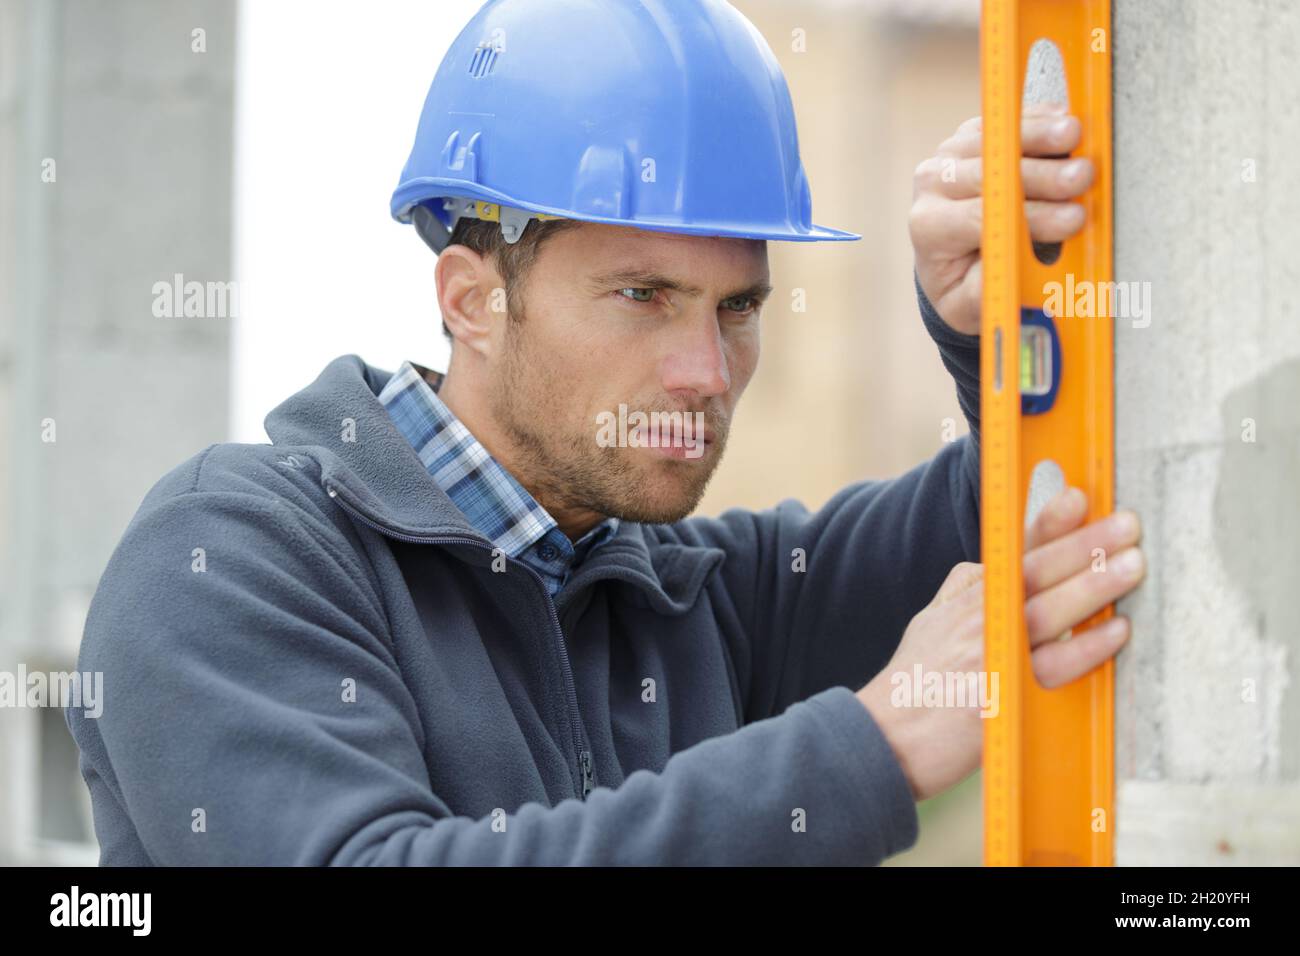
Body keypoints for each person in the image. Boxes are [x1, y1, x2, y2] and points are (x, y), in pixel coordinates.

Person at [66, 0, 1144, 865]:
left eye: (738, 307)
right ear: (470, 298)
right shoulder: (227, 557)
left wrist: (989, 325)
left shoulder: (694, 595)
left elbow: (1014, 519)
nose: (706, 371)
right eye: (642, 294)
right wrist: (874, 744)